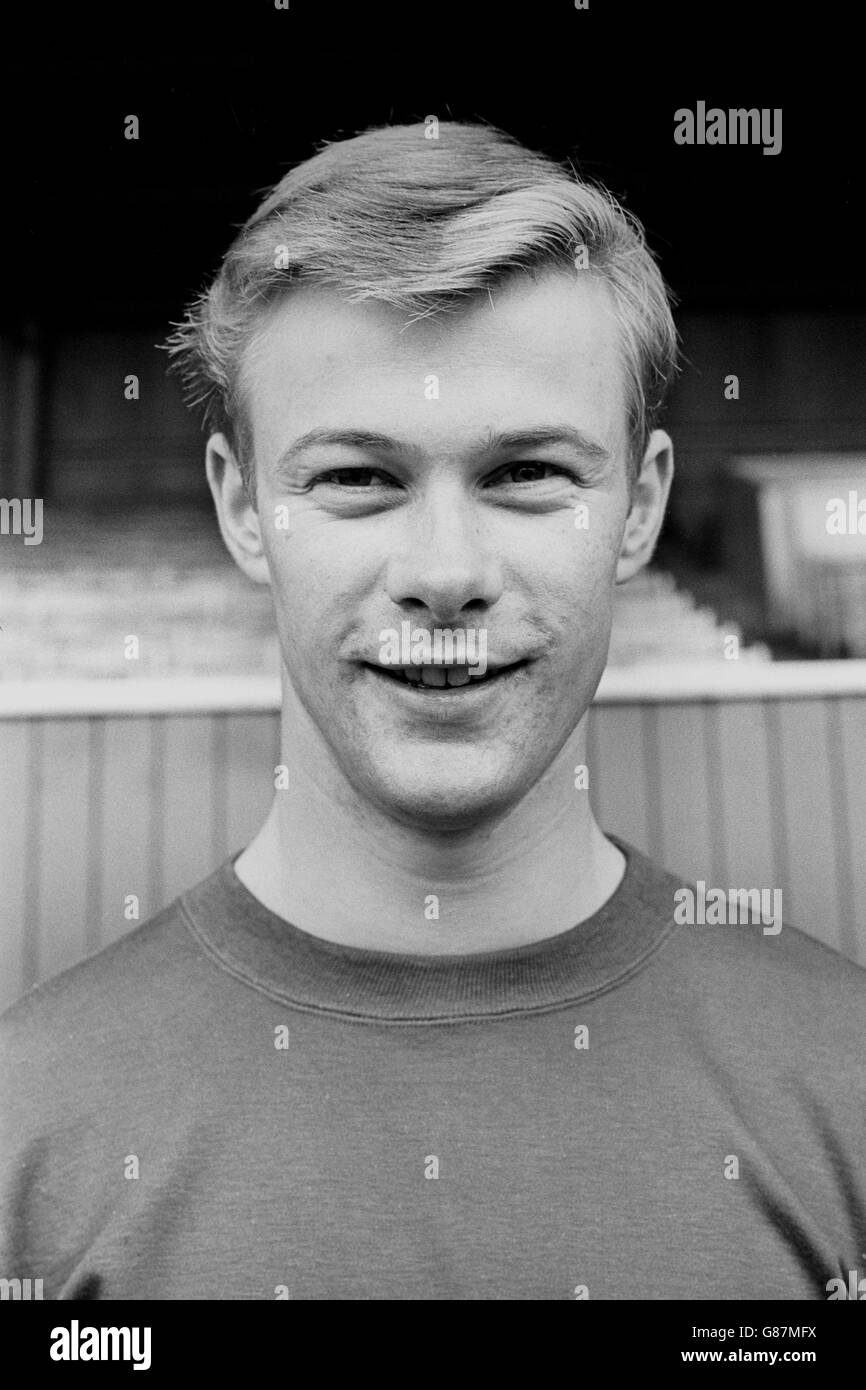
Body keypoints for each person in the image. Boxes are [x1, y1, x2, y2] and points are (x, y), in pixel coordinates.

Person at [1, 122, 864, 1302]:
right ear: (243, 507)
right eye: (357, 476)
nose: (444, 569)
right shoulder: (25, 1131)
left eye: (524, 474)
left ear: (638, 505)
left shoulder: (847, 1085)